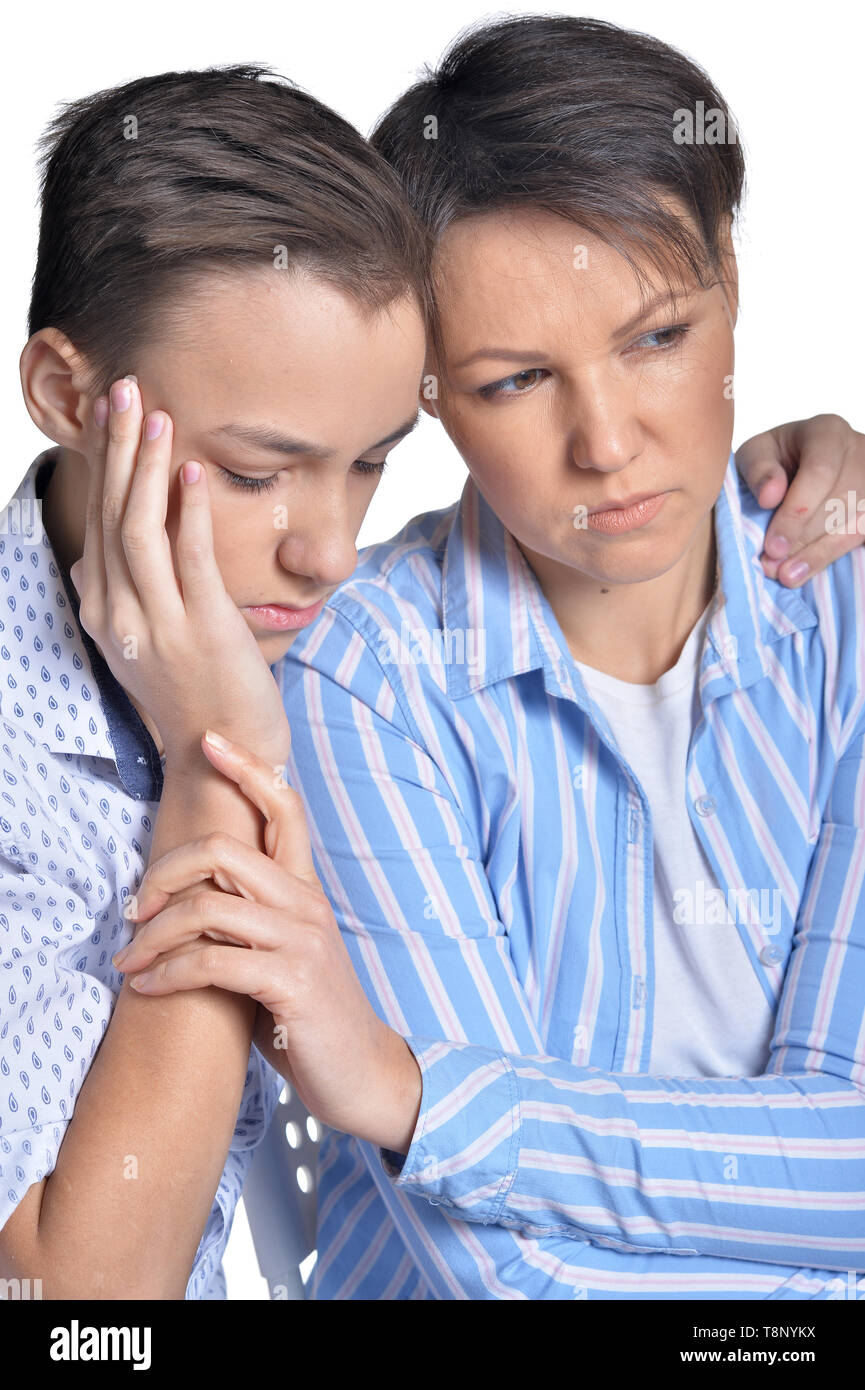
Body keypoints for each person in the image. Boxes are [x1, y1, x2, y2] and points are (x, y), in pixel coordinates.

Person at [113, 17, 865, 1301]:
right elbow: (506, 1276)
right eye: (516, 381)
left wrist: (430, 1102)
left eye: (656, 338)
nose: (608, 443)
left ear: (730, 281)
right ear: (428, 395)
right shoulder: (363, 674)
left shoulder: (842, 590)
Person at [0, 64, 427, 1299]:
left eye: (371, 465)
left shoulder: (353, 630)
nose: (330, 550)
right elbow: (79, 1311)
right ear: (67, 396)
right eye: (256, 474)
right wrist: (212, 766)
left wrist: (814, 472)